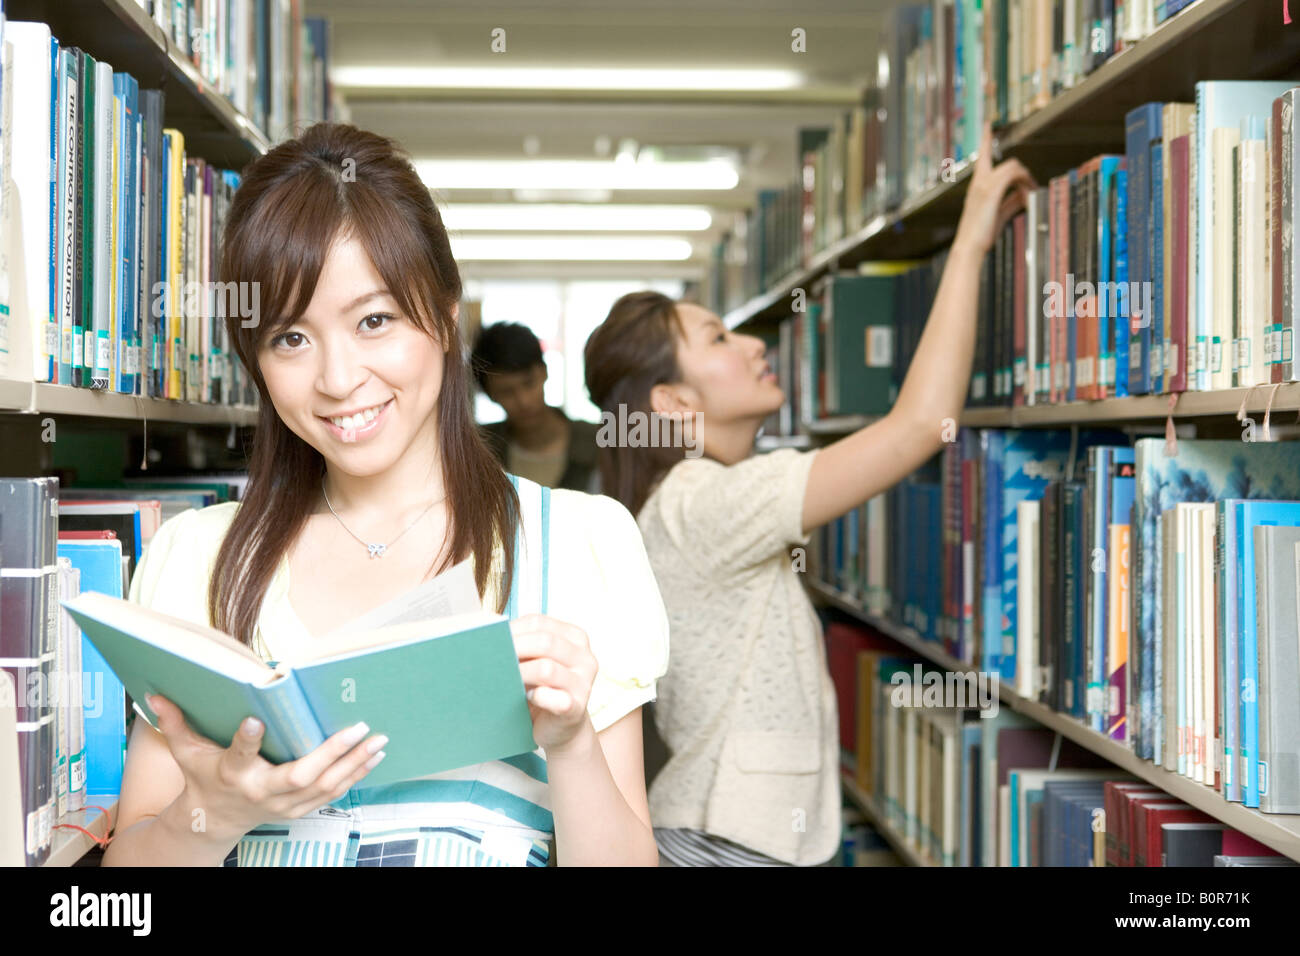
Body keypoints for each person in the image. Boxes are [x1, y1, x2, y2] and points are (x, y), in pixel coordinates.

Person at [102, 123, 668, 867]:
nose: (338, 380)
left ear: (442, 313)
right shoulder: (199, 560)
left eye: (375, 321)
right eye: (290, 339)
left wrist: (570, 747)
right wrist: (212, 813)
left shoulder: (581, 543)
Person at [582, 123, 1035, 866]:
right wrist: (971, 243)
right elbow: (922, 426)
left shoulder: (689, 497)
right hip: (728, 842)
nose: (757, 345)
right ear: (669, 400)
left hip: (727, 835)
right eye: (719, 340)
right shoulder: (702, 502)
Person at [471, 322, 601, 492]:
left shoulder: (598, 442)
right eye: (507, 392)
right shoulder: (479, 452)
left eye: (529, 383)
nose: (523, 401)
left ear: (544, 371)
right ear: (490, 395)